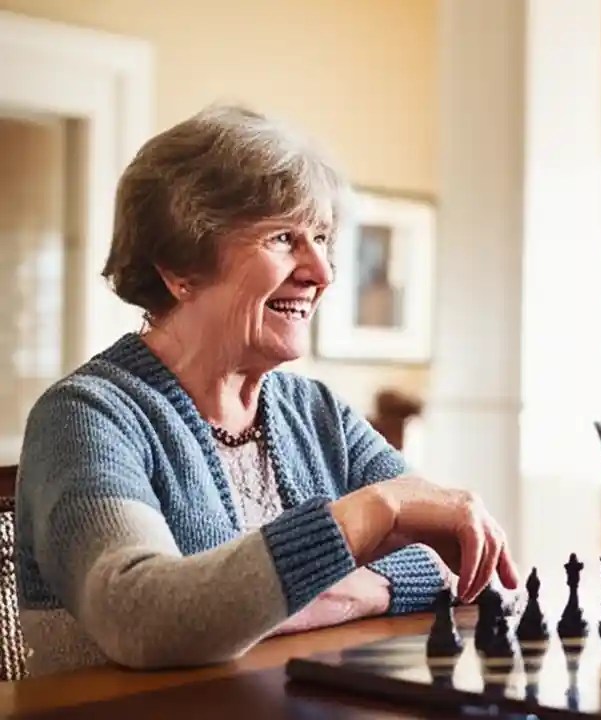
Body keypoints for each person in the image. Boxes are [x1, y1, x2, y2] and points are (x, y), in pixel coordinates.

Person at [15, 105, 519, 676]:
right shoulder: (87, 417)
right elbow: (142, 618)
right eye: (283, 238)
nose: (322, 272)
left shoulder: (316, 412)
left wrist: (308, 598)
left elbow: (458, 558)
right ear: (180, 267)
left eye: (323, 237)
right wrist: (368, 516)